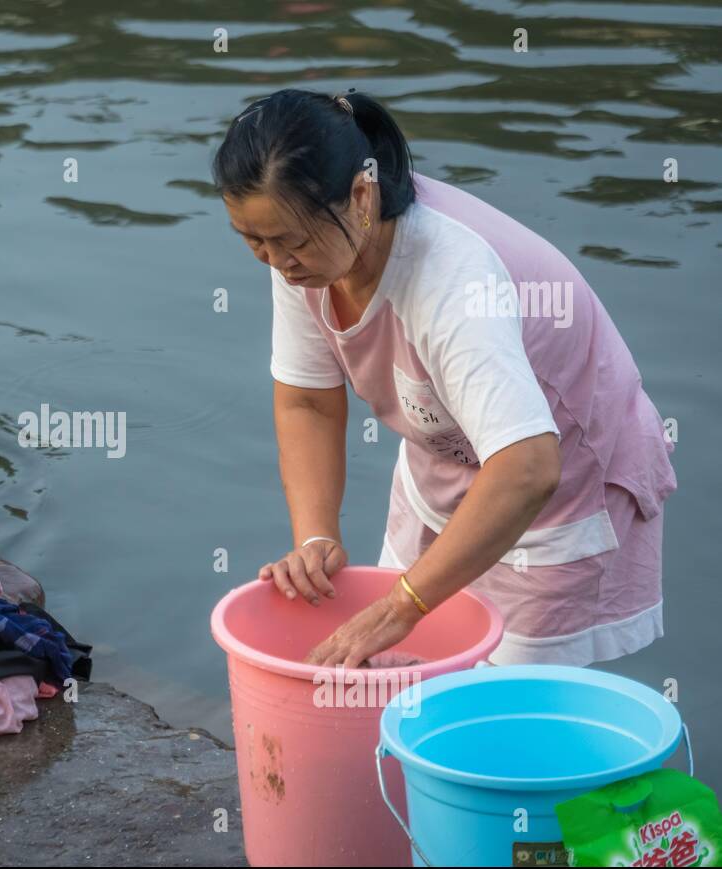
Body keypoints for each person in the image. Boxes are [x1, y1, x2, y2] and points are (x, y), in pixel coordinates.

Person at [213, 89, 677, 668]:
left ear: (361, 194)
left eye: (289, 241)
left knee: (497, 715)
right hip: (446, 454)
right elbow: (308, 399)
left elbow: (528, 466)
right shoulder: (307, 251)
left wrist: (401, 605)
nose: (275, 261)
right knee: (388, 677)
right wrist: (316, 538)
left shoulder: (453, 280)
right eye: (252, 239)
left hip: (557, 487)